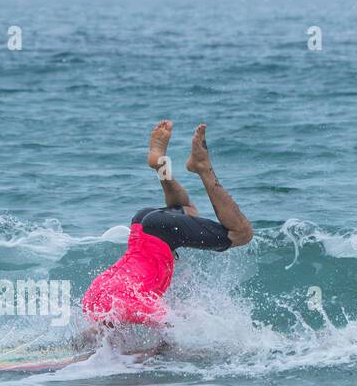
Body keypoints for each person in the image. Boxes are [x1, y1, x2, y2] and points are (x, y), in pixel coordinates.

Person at [81, 122, 252, 325]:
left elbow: (172, 330)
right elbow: (98, 338)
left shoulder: (126, 304)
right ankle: (161, 166)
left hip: (160, 234)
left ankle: (203, 167)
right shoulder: (92, 299)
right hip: (143, 227)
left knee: (241, 233)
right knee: (186, 209)